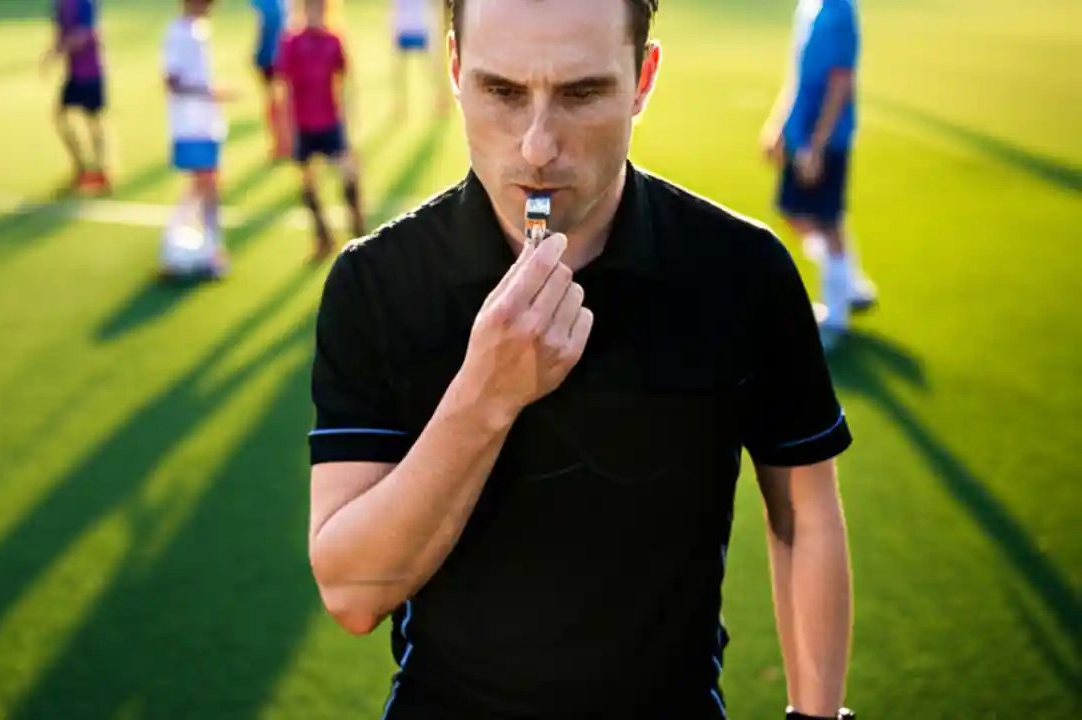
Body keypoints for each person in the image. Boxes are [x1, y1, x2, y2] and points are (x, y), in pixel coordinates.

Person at [306, 0, 858, 719]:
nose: (536, 146)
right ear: (453, 69)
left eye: (581, 93)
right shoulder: (378, 282)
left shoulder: (741, 269)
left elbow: (803, 515)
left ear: (642, 79)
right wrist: (487, 394)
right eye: (501, 91)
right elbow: (352, 593)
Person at [760, 0, 877, 350]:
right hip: (800, 134)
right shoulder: (810, 5)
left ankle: (837, 314)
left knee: (823, 219)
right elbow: (799, 73)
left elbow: (841, 82)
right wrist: (780, 125)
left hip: (824, 139)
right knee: (799, 215)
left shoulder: (840, 11)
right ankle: (850, 284)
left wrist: (817, 144)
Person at [275, 0, 365, 262]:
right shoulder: (291, 42)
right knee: (307, 184)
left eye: (320, 7)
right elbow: (284, 88)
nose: (315, 12)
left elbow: (346, 82)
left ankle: (358, 231)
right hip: (303, 125)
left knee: (348, 175)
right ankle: (322, 235)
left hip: (330, 121)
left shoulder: (333, 41)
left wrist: (350, 125)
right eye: (311, 7)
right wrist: (286, 129)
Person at [162, 0, 231, 277]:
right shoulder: (179, 34)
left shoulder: (198, 30)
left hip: (204, 124)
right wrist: (209, 93)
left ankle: (189, 247)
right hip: (191, 125)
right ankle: (207, 250)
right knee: (207, 184)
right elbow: (172, 82)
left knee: (205, 184)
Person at [43, 0, 110, 194]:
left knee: (94, 121)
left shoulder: (85, 3)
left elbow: (89, 34)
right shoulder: (59, 4)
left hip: (92, 72)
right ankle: (82, 167)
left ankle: (102, 171)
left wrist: (61, 49)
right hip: (73, 74)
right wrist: (50, 54)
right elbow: (60, 33)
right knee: (61, 118)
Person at [250, 0, 292, 160]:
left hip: (278, 55)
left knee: (280, 102)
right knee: (276, 102)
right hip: (270, 55)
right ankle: (281, 144)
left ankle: (284, 144)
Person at [390, 0, 447, 114]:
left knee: (428, 68)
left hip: (420, 28)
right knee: (401, 70)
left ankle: (440, 99)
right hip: (405, 28)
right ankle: (401, 103)